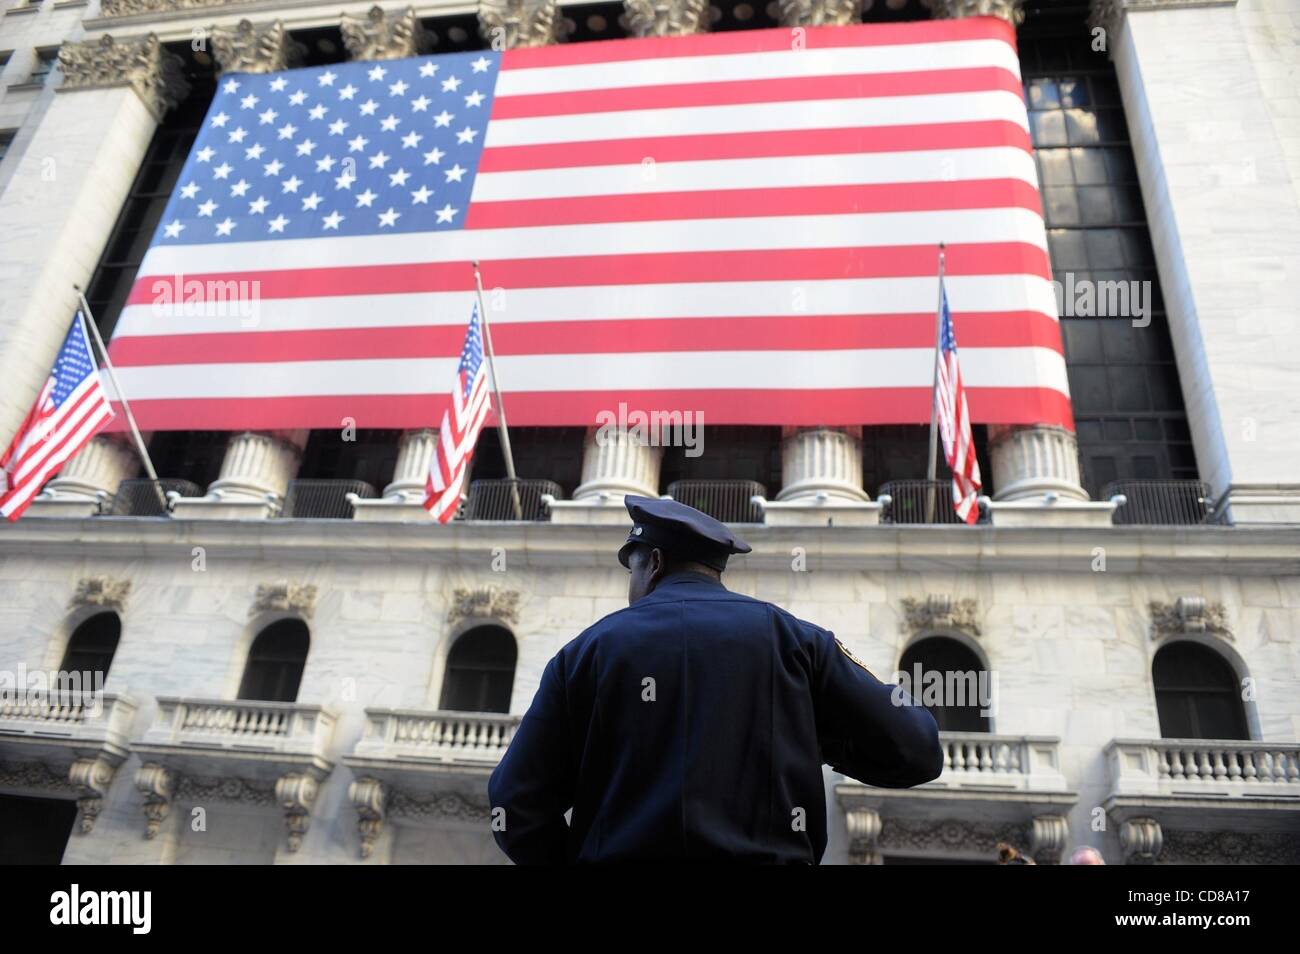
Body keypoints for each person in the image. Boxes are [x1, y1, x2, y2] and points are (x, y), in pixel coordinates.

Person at [487, 495, 944, 864]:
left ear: (655, 564)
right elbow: (917, 748)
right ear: (714, 568)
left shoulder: (586, 653)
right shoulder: (795, 641)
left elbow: (513, 805)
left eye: (633, 568)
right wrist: (815, 735)